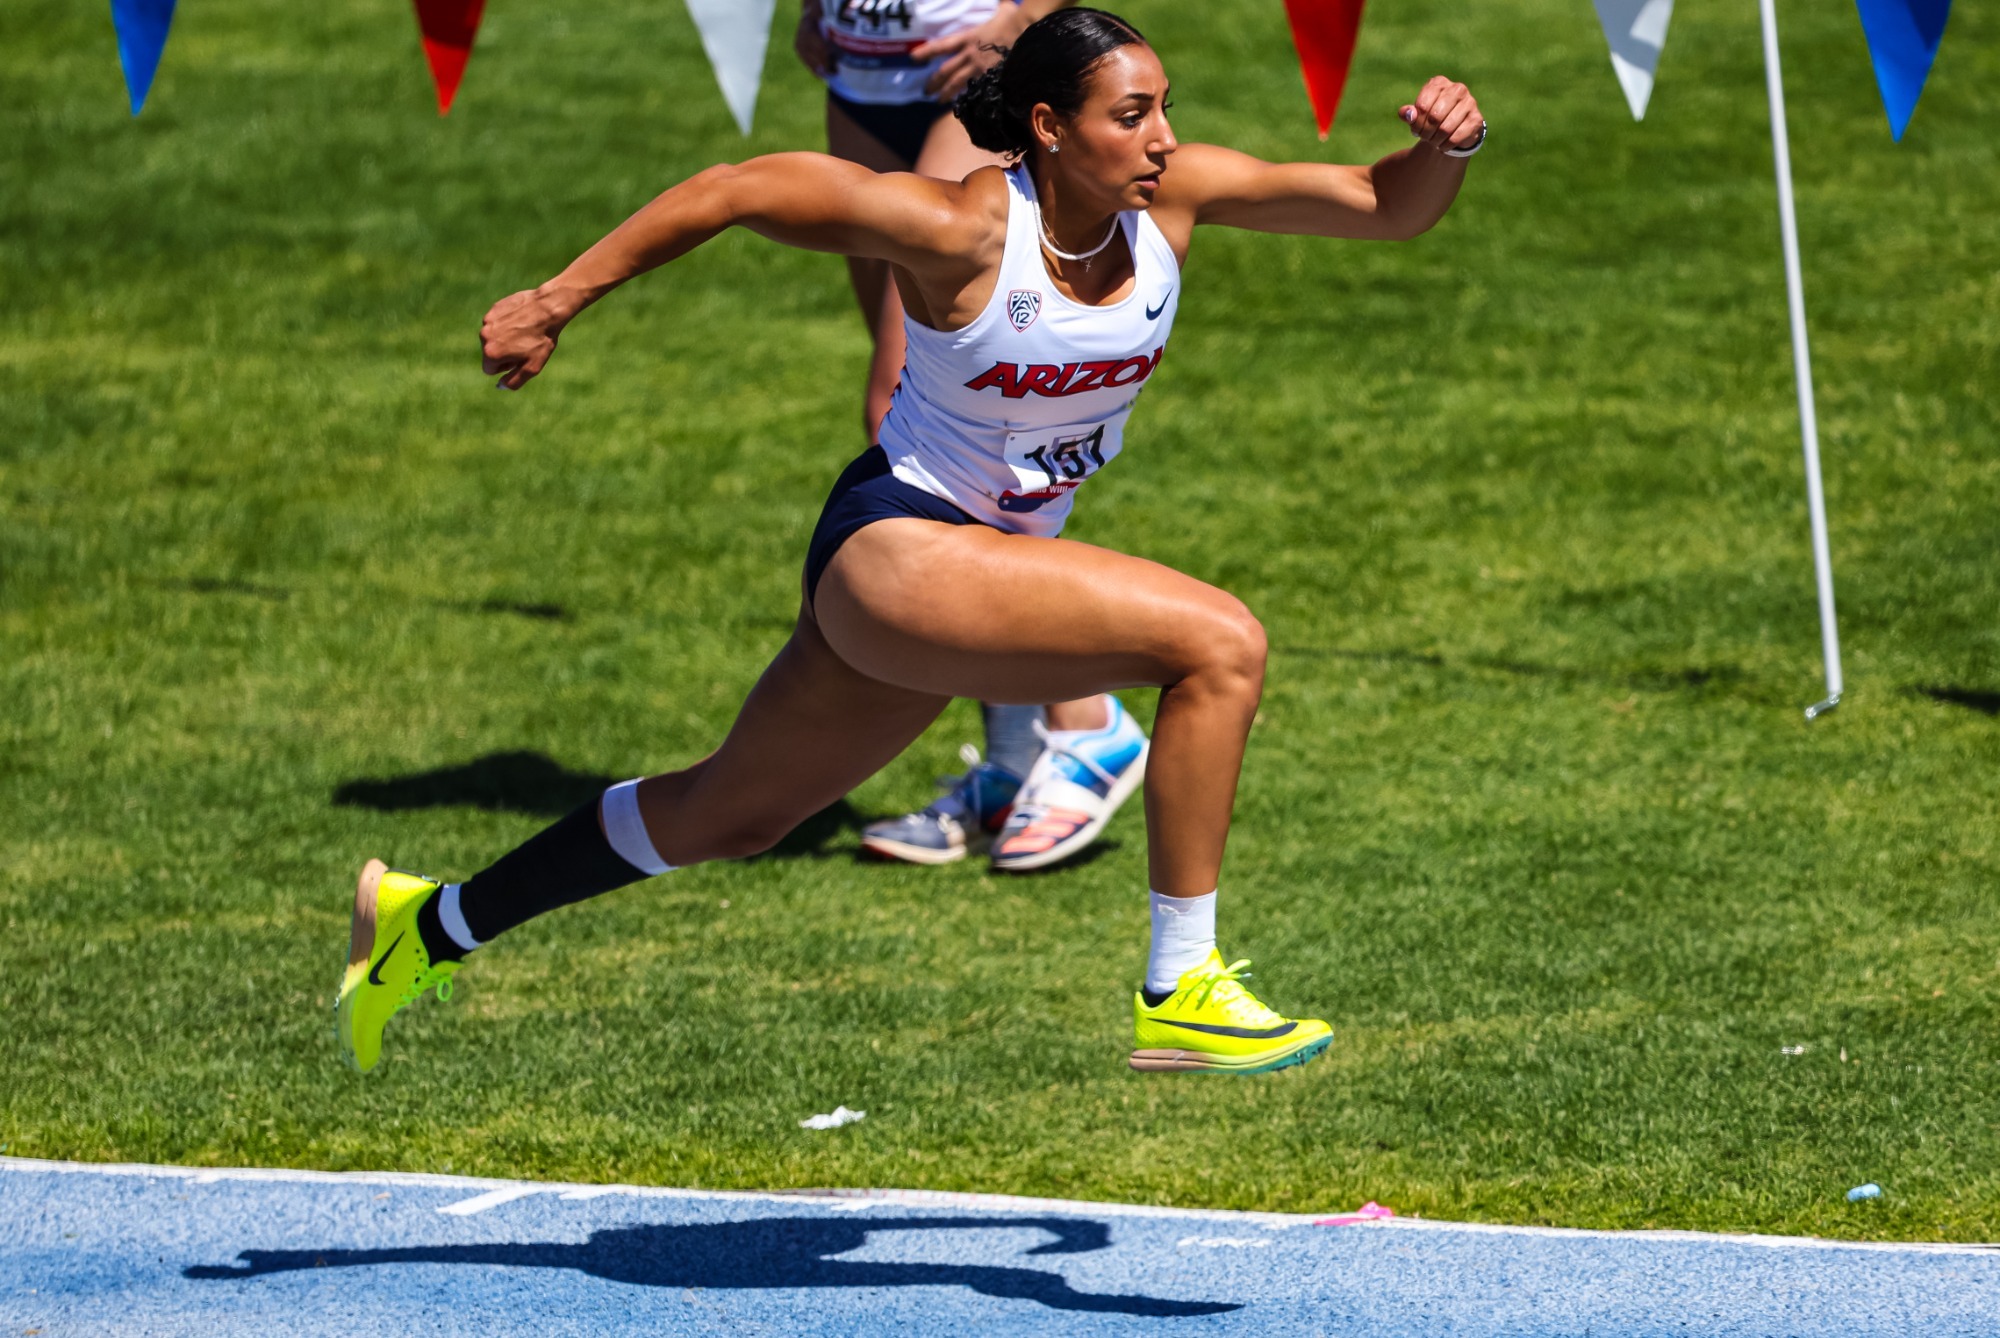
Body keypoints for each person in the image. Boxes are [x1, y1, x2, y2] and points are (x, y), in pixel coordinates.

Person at [336, 8, 1485, 1081]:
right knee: (1219, 644)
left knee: (729, 814)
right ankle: (1179, 983)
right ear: (1049, 127)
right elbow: (737, 190)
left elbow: (1381, 202)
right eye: (1131, 115)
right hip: (897, 551)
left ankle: (425, 925)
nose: (1163, 140)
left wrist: (1445, 149)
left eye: (1164, 109)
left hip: (963, 577)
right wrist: (555, 299)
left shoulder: (1173, 201)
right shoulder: (960, 227)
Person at [797, 0, 1148, 873]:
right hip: (861, 75)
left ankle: (1083, 718)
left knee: (914, 414)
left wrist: (1024, 15)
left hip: (970, 63)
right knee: (924, 399)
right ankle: (1015, 759)